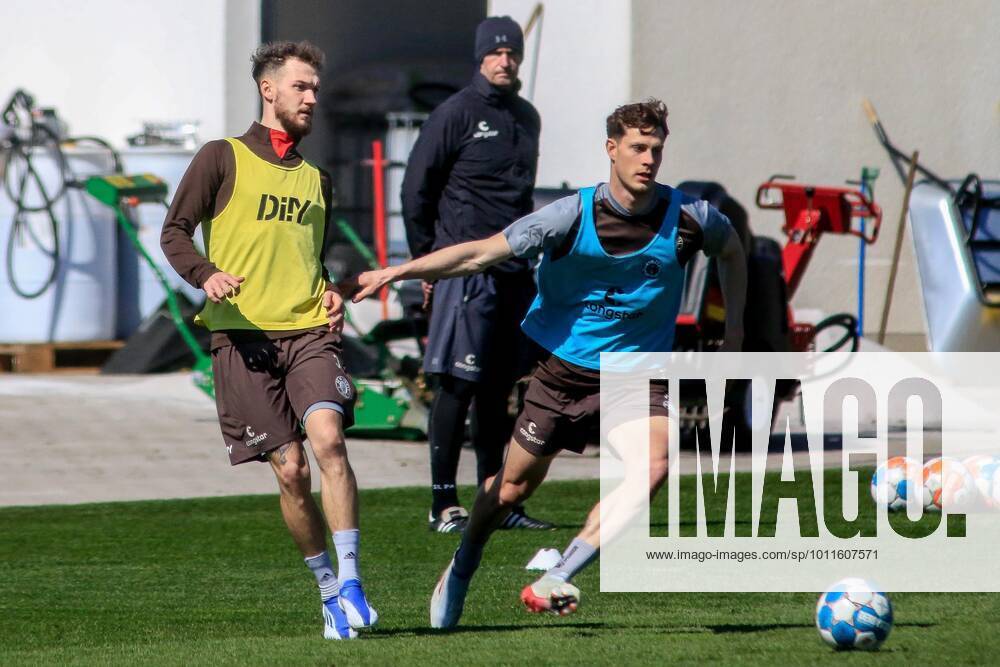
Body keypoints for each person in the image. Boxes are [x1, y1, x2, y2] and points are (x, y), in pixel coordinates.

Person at [351, 99, 747, 628]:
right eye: (637, 147)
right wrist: (398, 272)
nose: (648, 159)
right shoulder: (570, 215)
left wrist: (736, 325)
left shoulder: (691, 218)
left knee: (653, 466)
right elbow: (478, 254)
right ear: (611, 149)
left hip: (636, 376)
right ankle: (464, 562)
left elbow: (734, 251)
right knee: (509, 490)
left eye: (656, 149)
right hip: (563, 375)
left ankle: (560, 572)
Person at [160, 41, 376, 641]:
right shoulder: (220, 157)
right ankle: (328, 591)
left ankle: (354, 580)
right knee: (291, 472)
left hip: (308, 333)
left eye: (315, 89)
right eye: (301, 86)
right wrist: (207, 275)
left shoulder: (317, 178)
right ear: (269, 89)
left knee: (329, 440)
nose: (312, 98)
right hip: (240, 341)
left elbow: (310, 260)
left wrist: (330, 290)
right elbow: (174, 233)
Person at [400, 16, 552, 533]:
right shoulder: (455, 114)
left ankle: (496, 501)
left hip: (514, 270)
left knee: (499, 388)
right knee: (457, 384)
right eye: (496, 53)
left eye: (512, 53)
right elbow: (415, 191)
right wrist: (428, 262)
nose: (504, 60)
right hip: (464, 270)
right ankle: (443, 504)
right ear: (480, 58)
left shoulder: (527, 118)